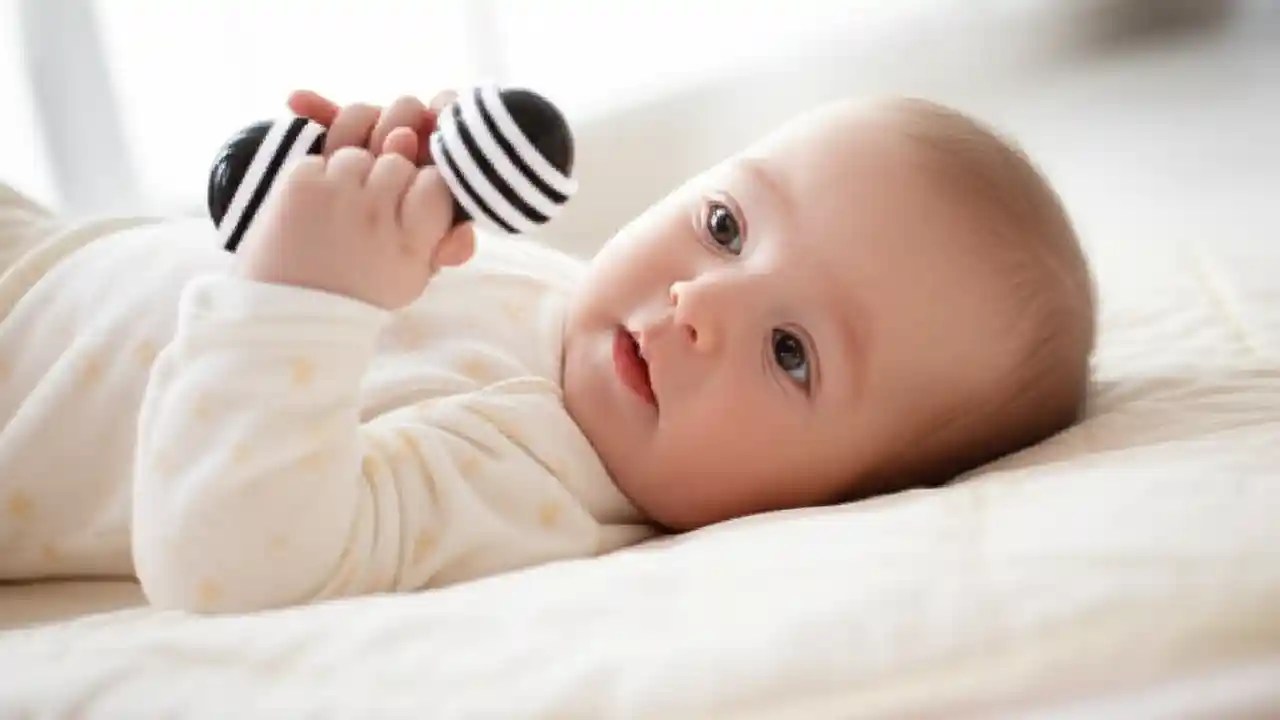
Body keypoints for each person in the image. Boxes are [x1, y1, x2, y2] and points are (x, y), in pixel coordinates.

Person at [0, 89, 1094, 612]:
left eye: (792, 354)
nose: (697, 301)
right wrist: (347, 193)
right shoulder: (580, 307)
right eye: (724, 225)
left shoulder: (529, 488)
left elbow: (230, 560)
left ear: (839, 501)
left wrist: (302, 294)